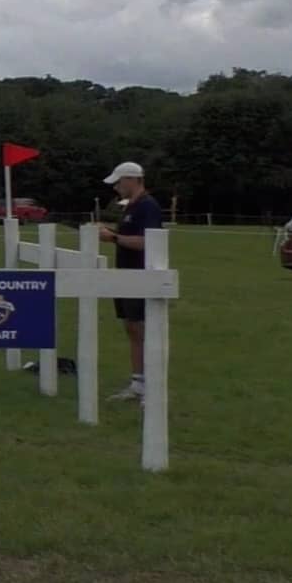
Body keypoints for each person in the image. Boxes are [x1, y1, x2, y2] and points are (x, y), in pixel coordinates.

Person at [97, 160, 163, 402]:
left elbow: (147, 242)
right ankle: (138, 382)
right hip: (126, 276)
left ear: (132, 180)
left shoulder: (148, 207)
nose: (116, 188)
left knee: (141, 329)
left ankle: (150, 385)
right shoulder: (130, 207)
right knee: (131, 327)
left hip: (140, 276)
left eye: (118, 182)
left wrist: (112, 237)